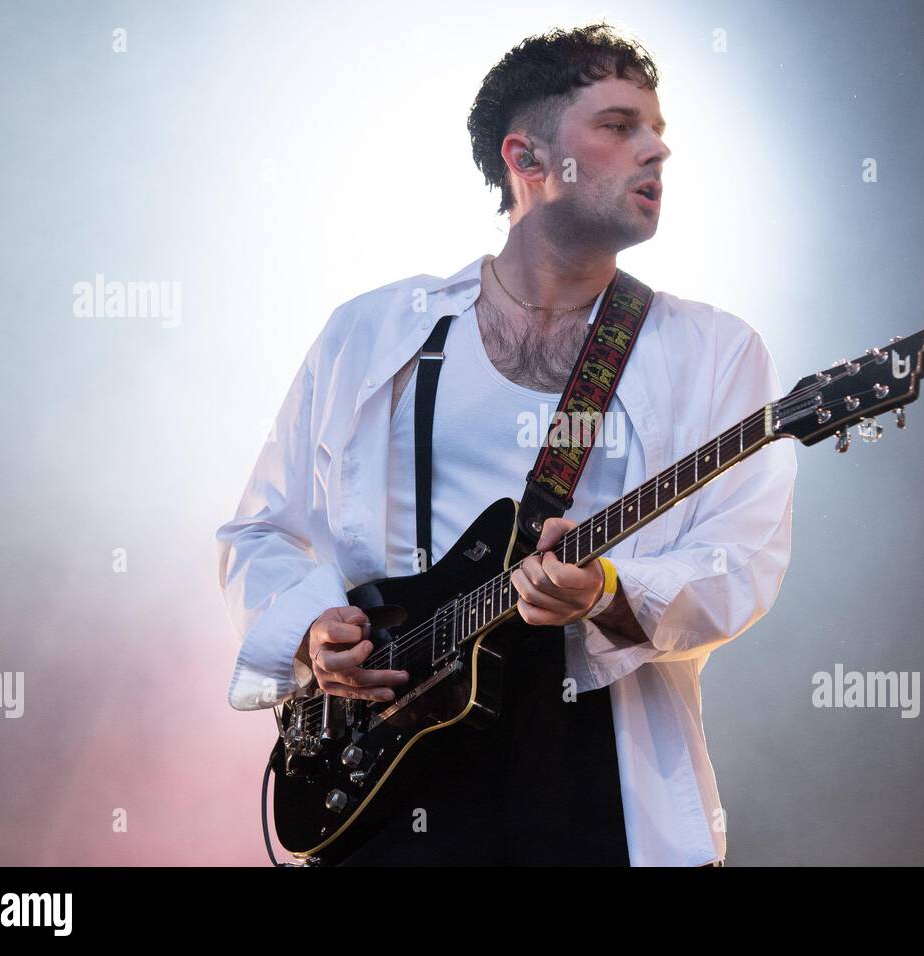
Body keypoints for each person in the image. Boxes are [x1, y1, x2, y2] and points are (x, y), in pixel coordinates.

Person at [217, 22, 797, 867]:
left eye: (660, 130)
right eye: (619, 125)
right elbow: (260, 533)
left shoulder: (714, 351)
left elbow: (744, 561)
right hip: (386, 778)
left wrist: (604, 587)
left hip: (592, 774)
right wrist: (310, 632)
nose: (657, 151)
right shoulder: (373, 332)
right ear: (526, 158)